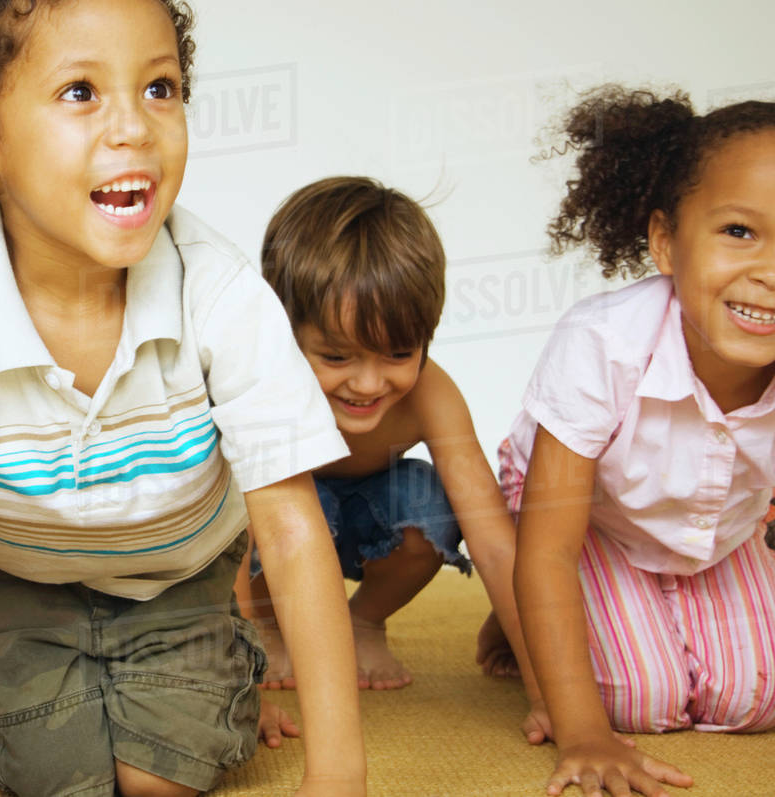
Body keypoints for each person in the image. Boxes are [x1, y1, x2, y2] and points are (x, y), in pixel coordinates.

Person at [0, 0, 366, 795]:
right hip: (18, 577)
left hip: (177, 575)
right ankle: (2, 666)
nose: (135, 128)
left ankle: (214, 658)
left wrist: (338, 776)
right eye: (81, 91)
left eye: (159, 88)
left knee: (154, 781)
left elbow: (290, 532)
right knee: (58, 779)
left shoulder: (219, 291)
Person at [506, 85, 775, 797]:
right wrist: (585, 732)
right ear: (665, 241)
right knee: (640, 698)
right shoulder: (601, 344)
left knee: (752, 700)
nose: (769, 273)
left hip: (717, 527)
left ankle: (664, 608)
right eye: (739, 232)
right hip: (585, 517)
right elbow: (548, 548)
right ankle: (520, 625)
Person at [250, 177, 541, 713]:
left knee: (431, 498)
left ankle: (363, 620)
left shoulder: (433, 394)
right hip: (276, 533)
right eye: (335, 357)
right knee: (243, 506)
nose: (367, 383)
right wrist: (238, 669)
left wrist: (548, 693)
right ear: (283, 329)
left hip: (370, 523)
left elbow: (493, 541)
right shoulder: (257, 386)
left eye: (398, 354)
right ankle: (268, 628)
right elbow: (205, 539)